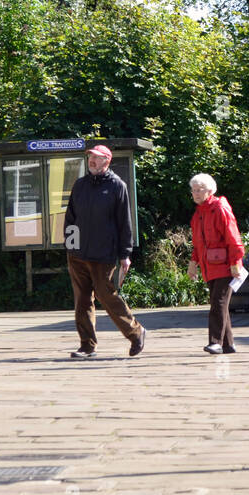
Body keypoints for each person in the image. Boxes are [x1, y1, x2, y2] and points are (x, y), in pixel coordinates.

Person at [66, 145, 146, 358]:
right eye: (90, 156)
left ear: (107, 161)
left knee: (106, 295)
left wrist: (125, 254)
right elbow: (70, 218)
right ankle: (87, 345)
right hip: (78, 254)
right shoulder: (80, 185)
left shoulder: (117, 186)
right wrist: (71, 247)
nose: (92, 160)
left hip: (104, 254)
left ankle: (136, 332)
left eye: (97, 157)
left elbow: (124, 223)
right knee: (82, 300)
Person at [188, 174, 246, 354]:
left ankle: (215, 342)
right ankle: (228, 344)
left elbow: (233, 238)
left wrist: (236, 262)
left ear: (210, 191)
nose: (196, 194)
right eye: (194, 190)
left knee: (218, 303)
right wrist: (193, 262)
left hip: (225, 265)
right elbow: (198, 243)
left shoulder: (220, 208)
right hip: (210, 266)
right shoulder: (198, 213)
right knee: (220, 304)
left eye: (200, 190)